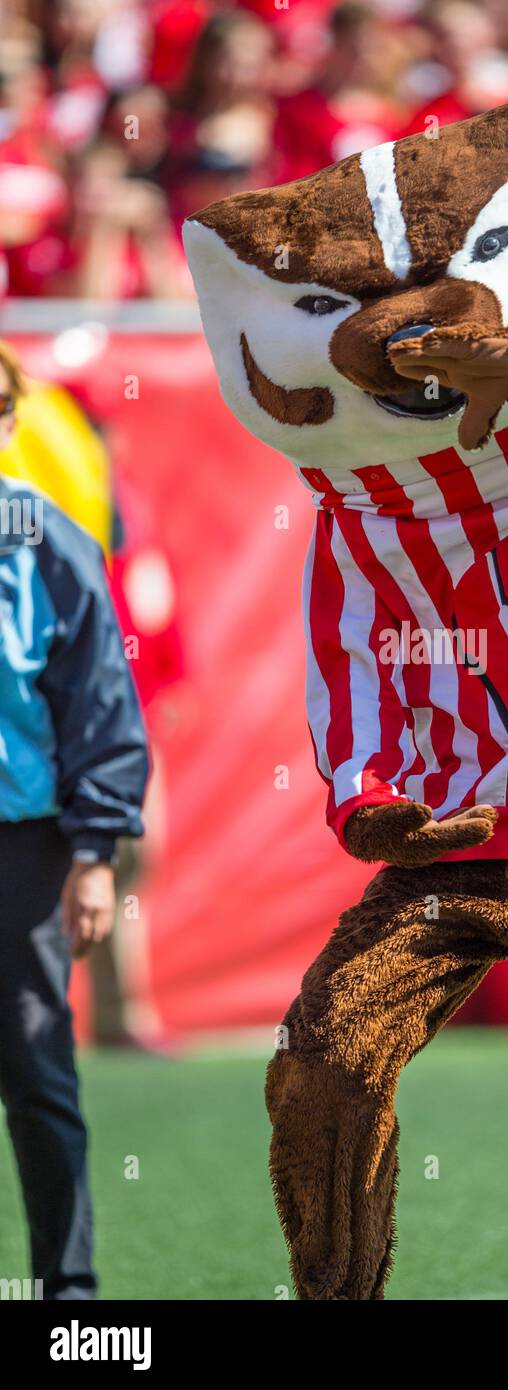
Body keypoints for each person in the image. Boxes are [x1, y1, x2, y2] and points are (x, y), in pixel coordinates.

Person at [0, 341, 149, 1299]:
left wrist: (95, 854)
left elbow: (99, 707)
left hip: (24, 845)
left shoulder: (49, 542)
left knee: (38, 1073)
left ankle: (69, 1296)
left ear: (11, 422)